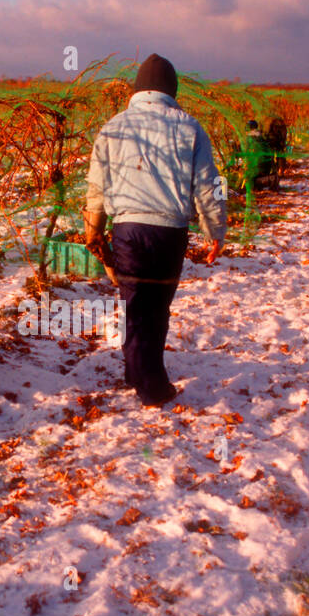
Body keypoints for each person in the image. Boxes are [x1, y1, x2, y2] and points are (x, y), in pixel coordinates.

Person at [83, 53, 226, 407]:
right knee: (157, 307)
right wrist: (216, 229)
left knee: (136, 305)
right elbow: (209, 185)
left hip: (127, 231)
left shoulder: (112, 127)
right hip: (168, 235)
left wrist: (93, 231)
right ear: (171, 90)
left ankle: (139, 370)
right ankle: (151, 385)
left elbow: (97, 187)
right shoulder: (190, 127)